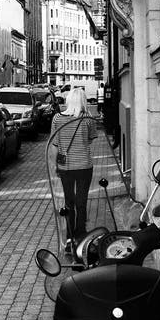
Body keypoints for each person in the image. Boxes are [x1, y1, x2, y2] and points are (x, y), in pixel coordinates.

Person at [50, 87, 97, 250]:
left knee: (69, 201)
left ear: (69, 100)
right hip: (84, 166)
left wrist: (56, 165)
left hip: (66, 167)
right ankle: (81, 235)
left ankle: (69, 238)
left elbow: (54, 145)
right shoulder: (88, 119)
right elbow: (90, 140)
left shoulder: (57, 118)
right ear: (83, 101)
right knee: (81, 202)